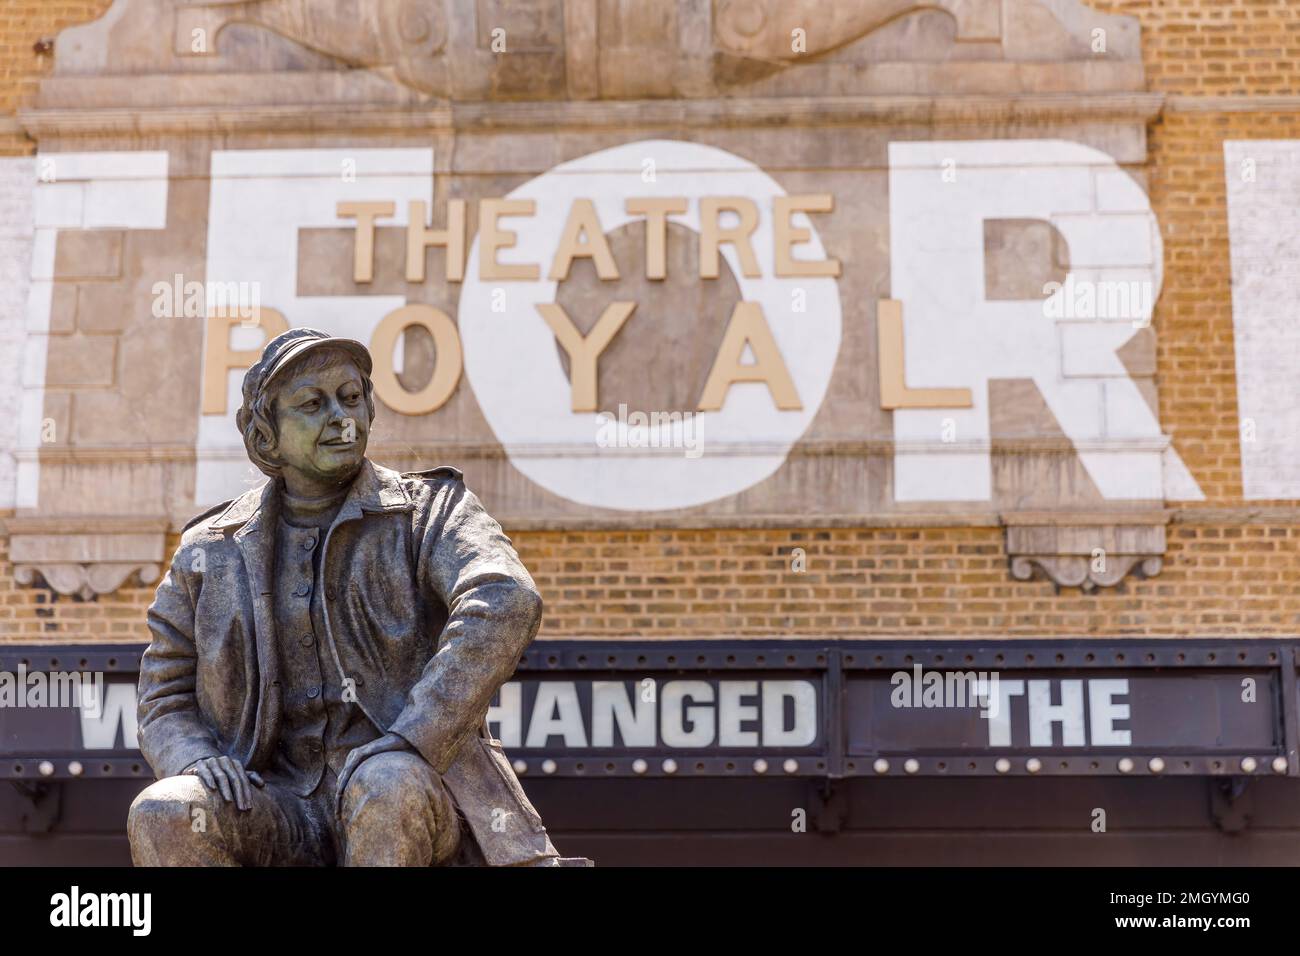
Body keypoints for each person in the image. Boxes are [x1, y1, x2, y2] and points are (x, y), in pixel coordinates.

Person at [127, 327, 561, 866]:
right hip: (273, 801)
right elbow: (163, 694)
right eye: (314, 404)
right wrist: (194, 759)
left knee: (385, 782)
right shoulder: (208, 549)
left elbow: (504, 597)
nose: (342, 417)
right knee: (166, 810)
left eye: (351, 398)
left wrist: (413, 738)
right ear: (267, 438)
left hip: (412, 788)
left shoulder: (429, 511)